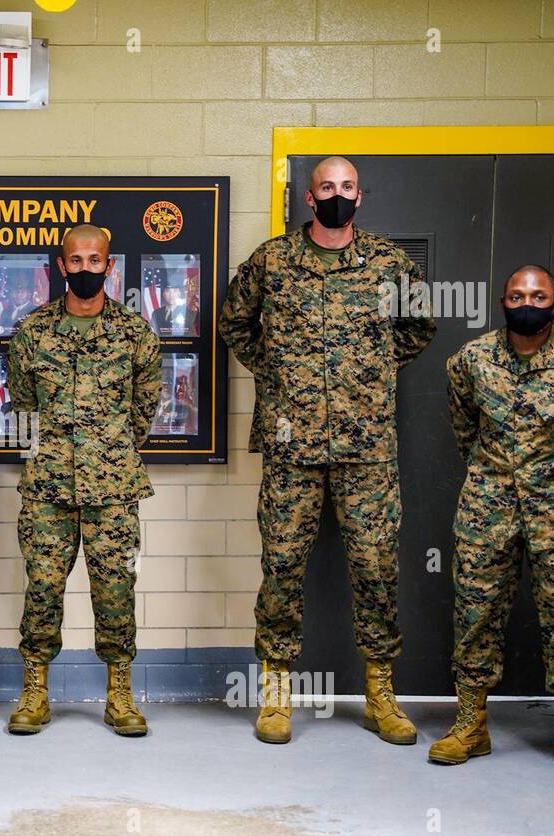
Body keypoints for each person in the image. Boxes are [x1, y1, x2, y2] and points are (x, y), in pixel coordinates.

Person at [218, 155, 436, 745]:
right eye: (325, 188)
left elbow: (418, 328)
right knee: (282, 567)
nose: (336, 196)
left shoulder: (390, 264)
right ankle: (277, 692)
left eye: (347, 187)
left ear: (360, 196)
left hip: (366, 447)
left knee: (375, 567)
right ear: (308, 199)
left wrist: (371, 371)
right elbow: (234, 323)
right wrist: (277, 371)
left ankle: (380, 693)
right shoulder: (273, 261)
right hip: (292, 446)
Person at [431, 265, 554, 779]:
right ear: (503, 300)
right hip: (486, 511)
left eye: (538, 295)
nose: (527, 302)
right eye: (517, 294)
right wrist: (493, 472)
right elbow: (463, 427)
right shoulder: (471, 361)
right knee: (475, 618)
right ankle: (470, 725)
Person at [5, 224, 161, 736]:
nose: (86, 269)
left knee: (116, 590)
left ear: (109, 266)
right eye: (77, 261)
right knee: (43, 589)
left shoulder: (135, 333)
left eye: (96, 261)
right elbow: (24, 406)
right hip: (48, 486)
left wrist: (107, 451)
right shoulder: (34, 331)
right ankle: (35, 691)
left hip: (112, 489)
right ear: (61, 265)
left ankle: (119, 694)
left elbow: (143, 412)